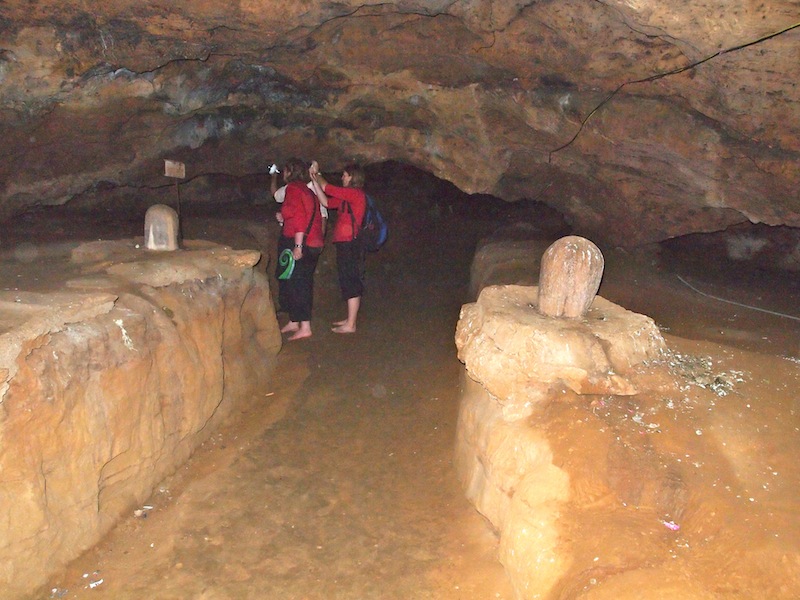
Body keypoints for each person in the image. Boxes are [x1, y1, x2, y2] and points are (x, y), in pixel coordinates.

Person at [309, 162, 367, 334]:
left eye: (345, 174)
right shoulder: (347, 197)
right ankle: (350, 319)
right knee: (347, 279)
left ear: (352, 177)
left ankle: (351, 324)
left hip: (351, 243)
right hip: (344, 244)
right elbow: (326, 202)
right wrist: (314, 179)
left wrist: (317, 172)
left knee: (351, 281)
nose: (342, 177)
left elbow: (328, 188)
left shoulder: (355, 194)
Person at [274, 158, 324, 341]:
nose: (283, 174)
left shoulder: (294, 189)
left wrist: (297, 246)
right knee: (294, 281)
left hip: (301, 242)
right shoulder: (306, 189)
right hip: (313, 241)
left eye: (285, 171)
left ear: (290, 172)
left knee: (298, 284)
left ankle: (305, 326)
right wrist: (283, 218)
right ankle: (295, 320)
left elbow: (301, 219)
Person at [272, 168, 328, 236]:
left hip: (301, 235)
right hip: (300, 235)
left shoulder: (293, 188)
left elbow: (323, 215)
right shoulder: (291, 188)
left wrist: (273, 177)